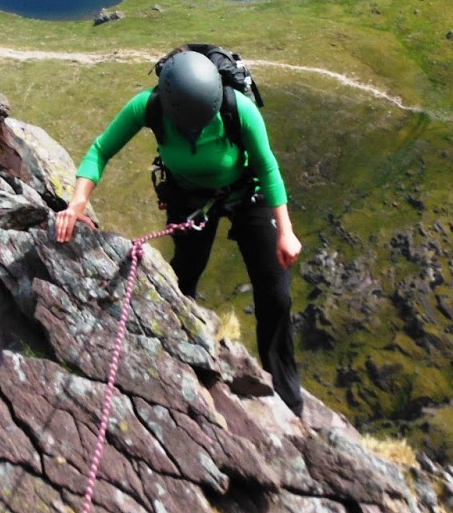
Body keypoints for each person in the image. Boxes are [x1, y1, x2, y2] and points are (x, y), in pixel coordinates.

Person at [53, 48, 305, 416]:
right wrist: (76, 202)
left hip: (247, 193)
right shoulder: (148, 107)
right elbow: (100, 150)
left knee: (276, 295)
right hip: (189, 198)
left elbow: (267, 168)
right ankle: (182, 360)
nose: (201, 129)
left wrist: (285, 230)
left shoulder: (238, 109)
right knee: (183, 278)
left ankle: (287, 398)